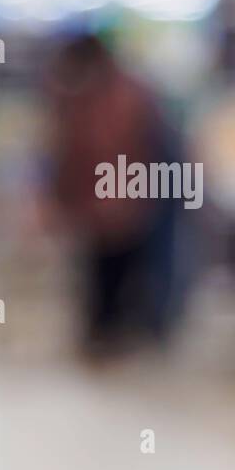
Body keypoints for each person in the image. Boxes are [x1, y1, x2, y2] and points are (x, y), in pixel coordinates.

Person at [46, 32, 180, 356]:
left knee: (124, 269)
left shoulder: (117, 98)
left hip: (130, 201)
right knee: (112, 270)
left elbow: (116, 154)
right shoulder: (100, 94)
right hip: (123, 202)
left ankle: (125, 333)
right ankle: (118, 333)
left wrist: (111, 204)